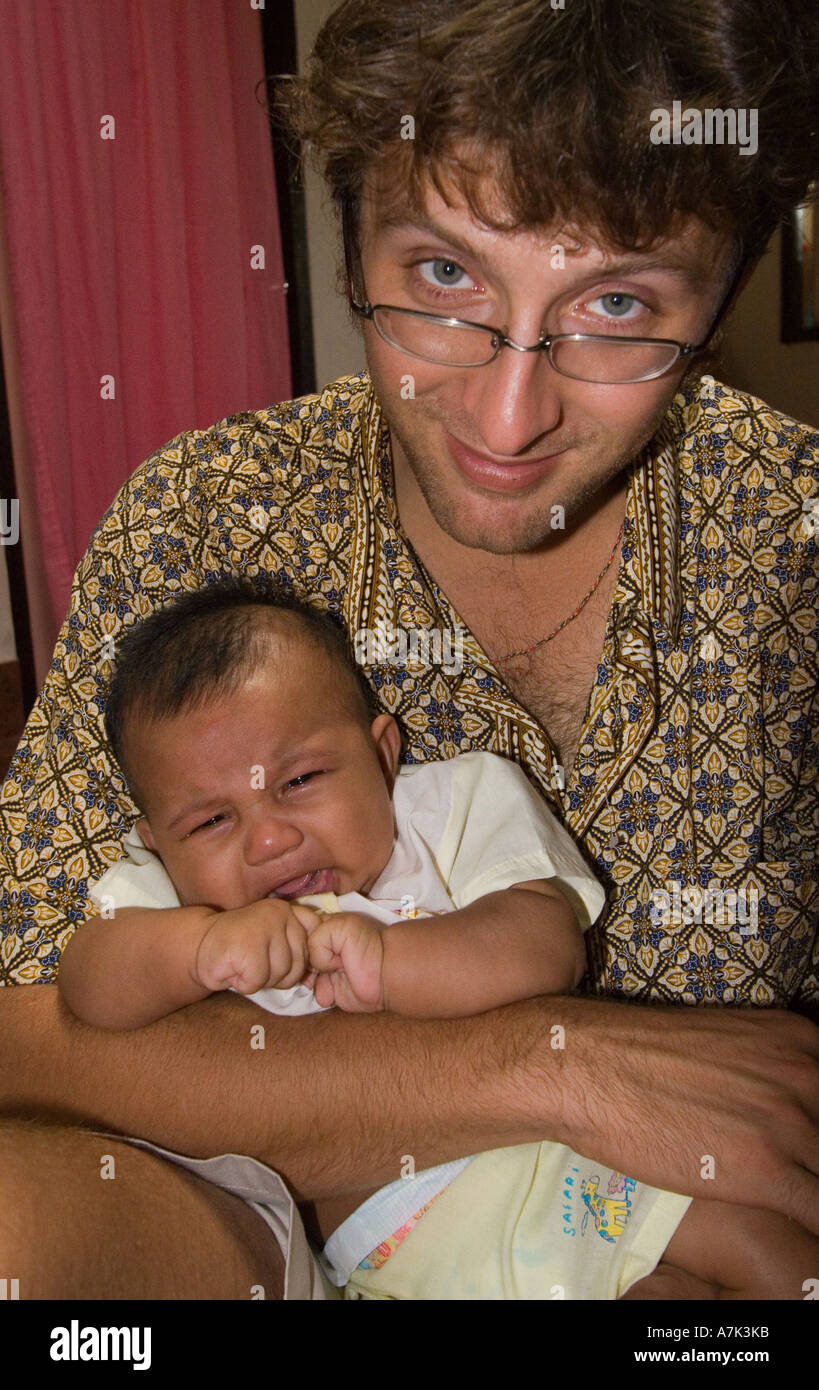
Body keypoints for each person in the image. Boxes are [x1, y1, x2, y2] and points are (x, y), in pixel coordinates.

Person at [0, 0, 817, 1301]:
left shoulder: (792, 538)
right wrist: (545, 1061)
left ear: (718, 301)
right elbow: (26, 1029)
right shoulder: (209, 514)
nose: (506, 414)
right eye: (441, 274)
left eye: (614, 301)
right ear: (346, 250)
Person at [56, 578, 819, 1300]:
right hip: (401, 1231)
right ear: (156, 842)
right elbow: (87, 984)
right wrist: (193, 950)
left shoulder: (450, 808)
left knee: (774, 1257)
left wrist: (393, 961)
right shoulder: (174, 900)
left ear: (381, 754)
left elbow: (540, 944)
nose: (269, 840)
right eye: (211, 821)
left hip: (572, 1154)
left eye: (300, 781)